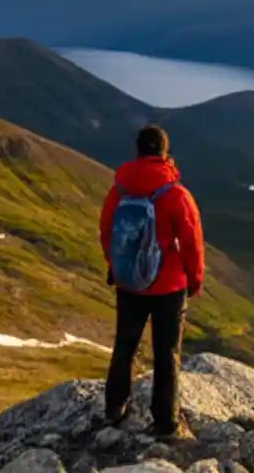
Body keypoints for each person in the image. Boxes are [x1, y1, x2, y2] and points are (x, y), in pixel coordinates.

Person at [99, 124, 205, 437]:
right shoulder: (175, 194)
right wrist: (194, 280)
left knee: (125, 346)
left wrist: (116, 266)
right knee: (166, 352)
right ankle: (165, 421)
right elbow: (191, 242)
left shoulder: (119, 190)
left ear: (138, 151)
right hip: (169, 287)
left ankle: (114, 408)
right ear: (164, 153)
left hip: (129, 283)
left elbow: (107, 232)